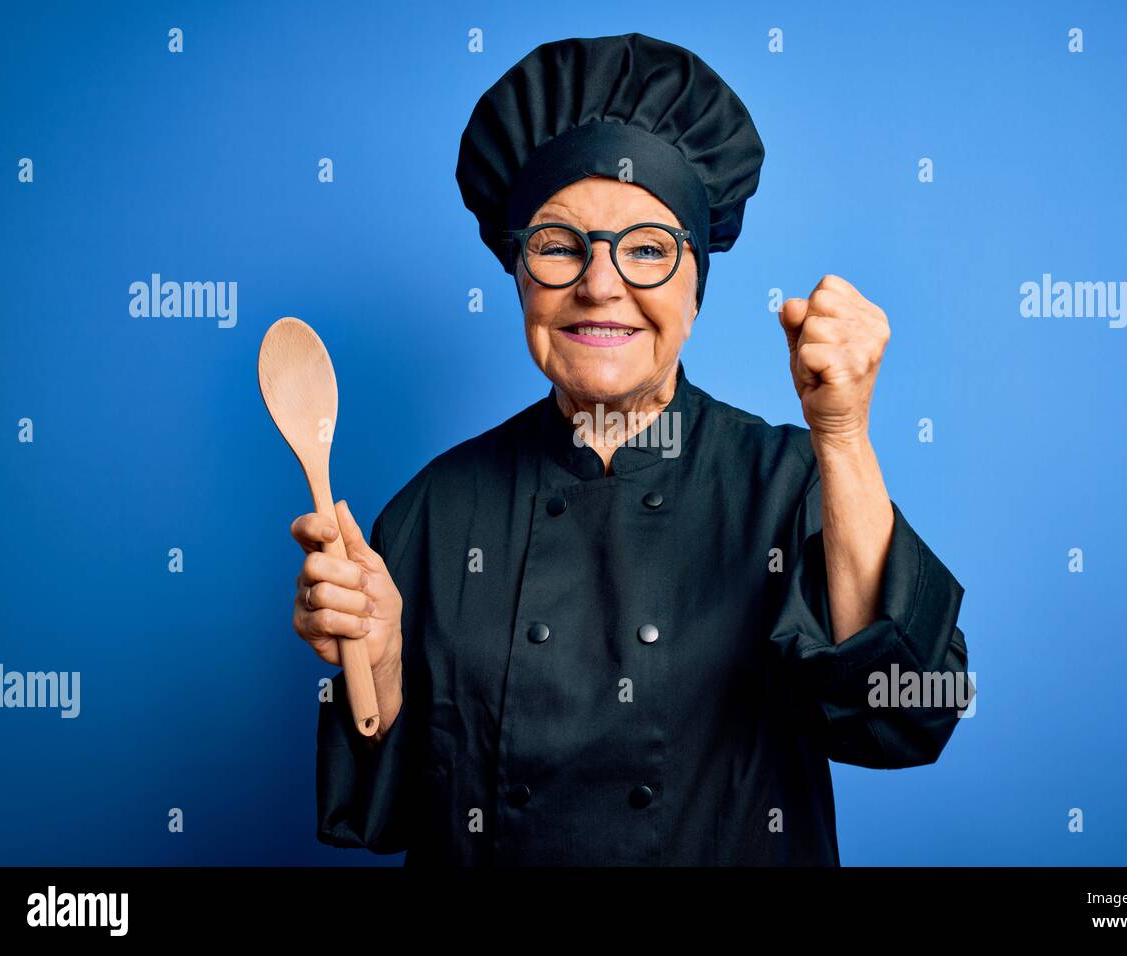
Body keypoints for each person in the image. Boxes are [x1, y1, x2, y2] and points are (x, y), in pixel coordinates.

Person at [291, 32, 971, 866]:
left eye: (648, 248)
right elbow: (385, 816)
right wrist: (382, 667)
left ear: (696, 283)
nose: (600, 284)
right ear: (517, 271)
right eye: (557, 244)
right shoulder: (434, 511)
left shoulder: (788, 483)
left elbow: (906, 714)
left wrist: (843, 432)